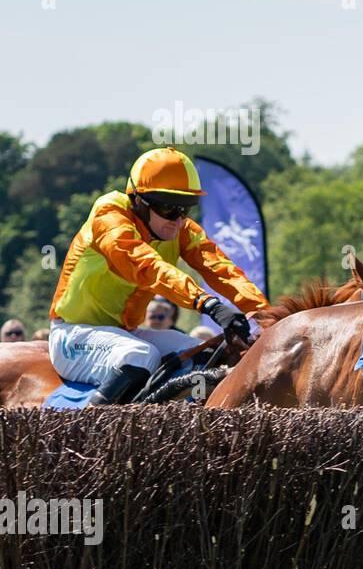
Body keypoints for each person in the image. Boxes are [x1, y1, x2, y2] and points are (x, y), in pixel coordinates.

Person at [46, 147, 270, 406]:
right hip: (73, 336)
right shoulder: (109, 217)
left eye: (185, 209)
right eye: (167, 208)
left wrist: (265, 314)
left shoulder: (180, 230)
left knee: (205, 353)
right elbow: (146, 266)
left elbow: (220, 269)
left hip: (126, 334)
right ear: (139, 201)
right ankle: (89, 426)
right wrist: (207, 303)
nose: (177, 220)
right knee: (141, 356)